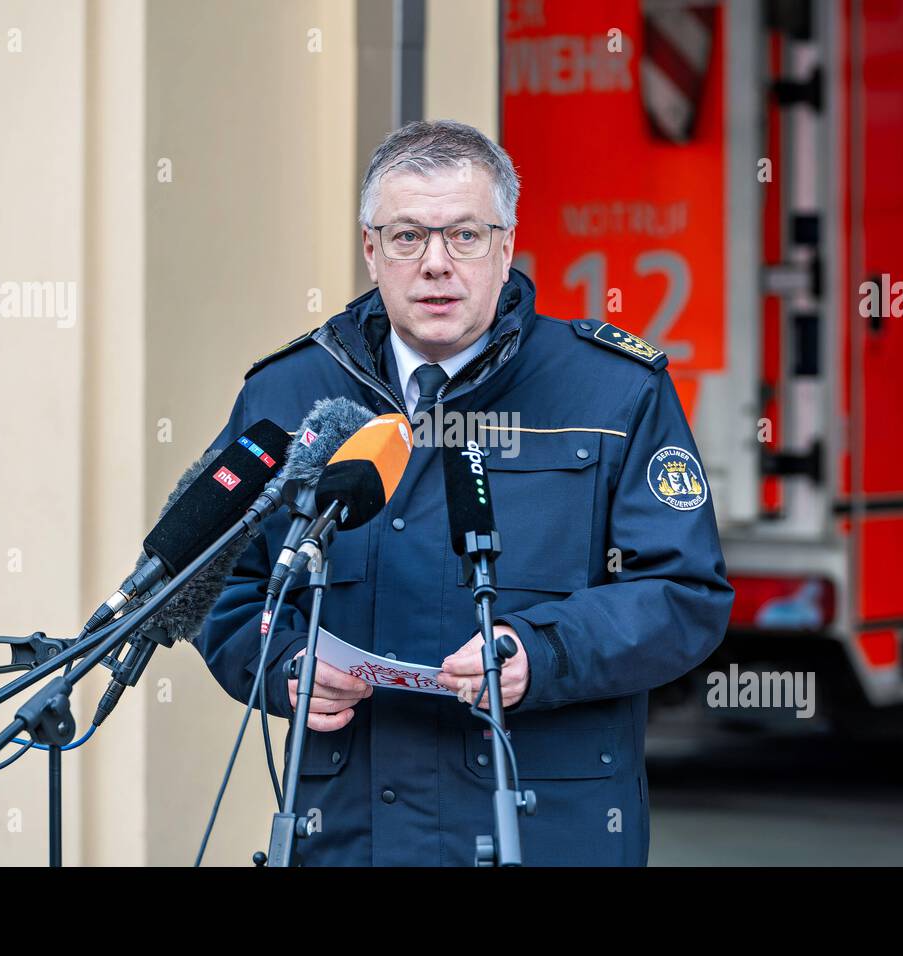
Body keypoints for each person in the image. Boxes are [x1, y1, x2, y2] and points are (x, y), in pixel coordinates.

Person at [195, 119, 733, 866]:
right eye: (409, 236)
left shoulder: (613, 392)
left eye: (466, 237)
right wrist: (285, 666)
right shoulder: (288, 394)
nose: (437, 265)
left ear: (507, 245)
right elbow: (220, 589)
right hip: (350, 832)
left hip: (548, 831)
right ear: (371, 251)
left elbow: (683, 594)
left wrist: (541, 653)